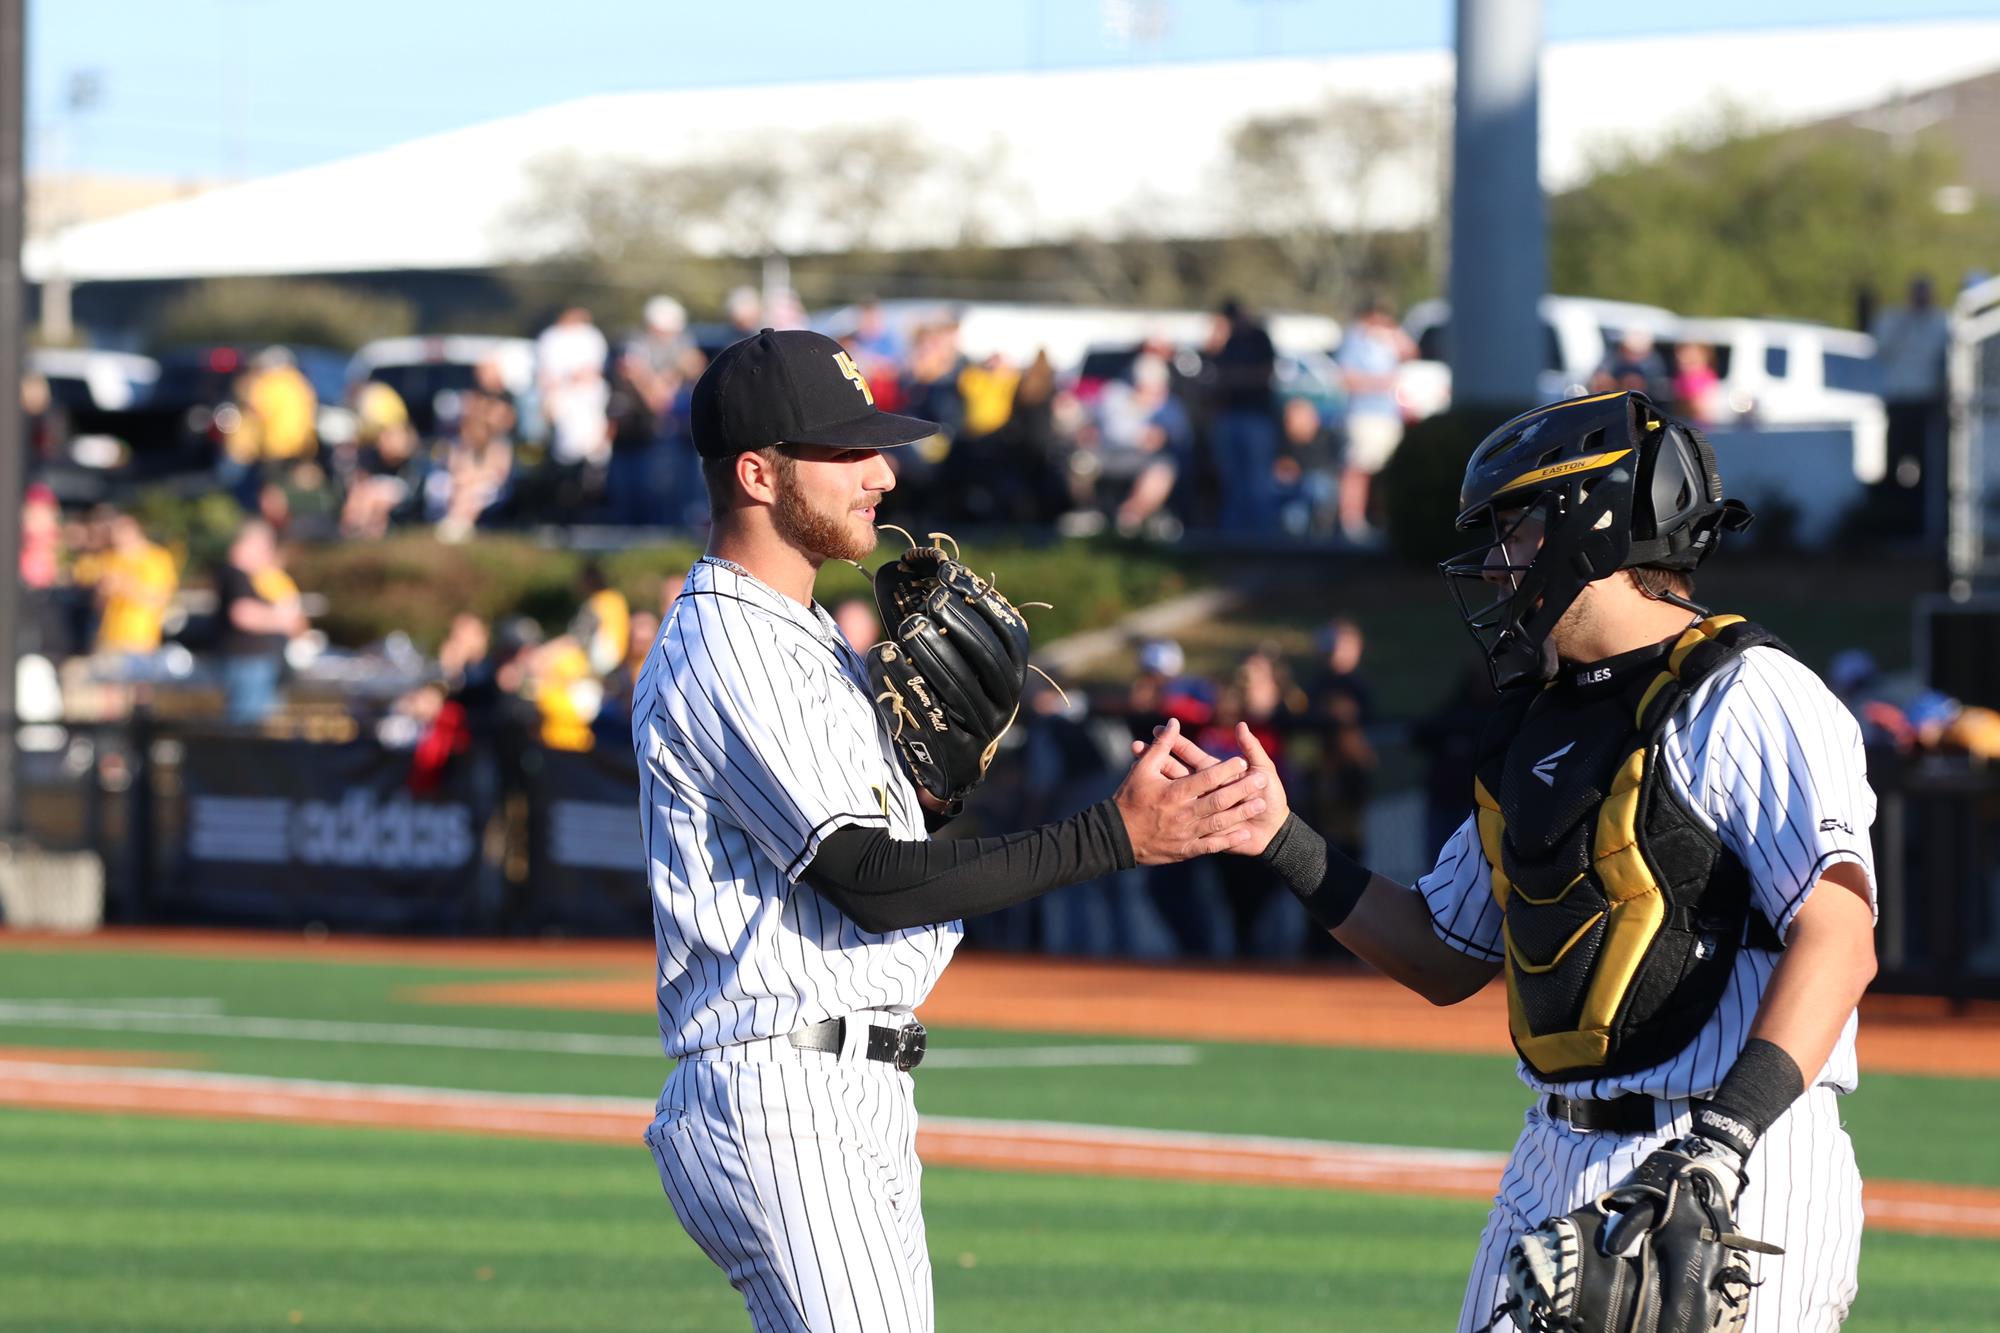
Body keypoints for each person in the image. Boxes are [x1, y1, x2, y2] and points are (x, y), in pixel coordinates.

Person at [1154, 391, 1877, 1331]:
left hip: (1732, 1158)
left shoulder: (1744, 690)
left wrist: (1723, 1144)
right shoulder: (1538, 719)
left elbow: (1840, 933)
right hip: (1553, 1156)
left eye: (1516, 528)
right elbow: (1442, 951)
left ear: (1594, 521)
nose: (1497, 565)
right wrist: (1280, 838)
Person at [632, 327, 1267, 1333]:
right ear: (756, 473)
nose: (881, 473)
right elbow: (869, 880)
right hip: (784, 1087)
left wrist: (933, 796)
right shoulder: (730, 645)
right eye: (845, 452)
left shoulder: (797, 639)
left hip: (839, 1088)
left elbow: (884, 857)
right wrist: (1112, 837)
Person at [1336, 300, 1416, 542]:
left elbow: (1410, 353)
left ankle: (1382, 518)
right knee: (1358, 467)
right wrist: (1380, 382)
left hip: (1387, 415)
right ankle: (1351, 520)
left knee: (1384, 470)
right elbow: (1348, 378)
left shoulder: (1387, 339)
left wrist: (1395, 333)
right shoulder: (1355, 339)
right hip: (1364, 414)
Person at [216, 519, 307, 726]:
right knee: (247, 728)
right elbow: (242, 614)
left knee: (263, 726)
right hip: (249, 662)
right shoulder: (236, 575)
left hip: (264, 661)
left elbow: (297, 619)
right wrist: (281, 620)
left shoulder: (263, 578)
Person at [1206, 299, 1280, 534]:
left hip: (1256, 417)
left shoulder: (1259, 339)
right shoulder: (1227, 343)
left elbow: (1263, 374)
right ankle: (1234, 531)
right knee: (1232, 478)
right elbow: (1216, 373)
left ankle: (1262, 531)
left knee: (1258, 479)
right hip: (1230, 417)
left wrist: (1236, 377)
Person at [91, 513, 178, 657]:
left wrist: (126, 586)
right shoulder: (110, 558)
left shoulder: (157, 558)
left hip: (140, 640)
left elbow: (160, 600)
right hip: (110, 637)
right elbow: (97, 606)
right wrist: (103, 592)